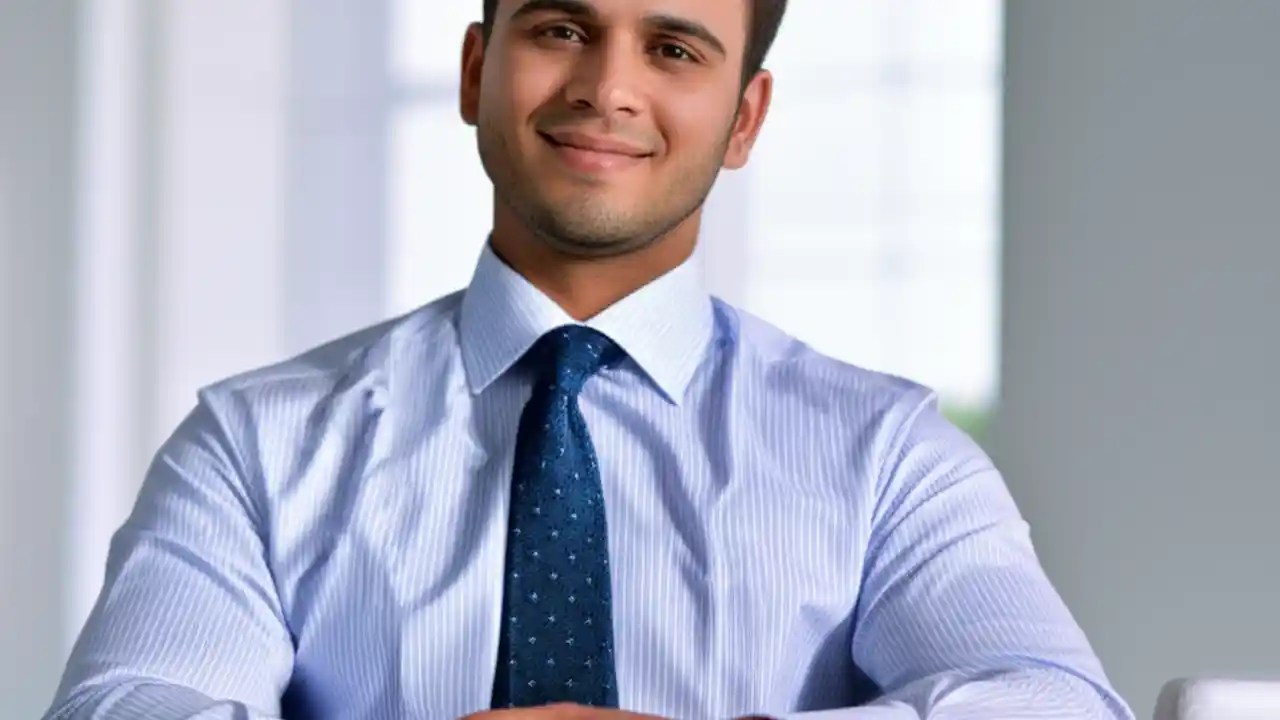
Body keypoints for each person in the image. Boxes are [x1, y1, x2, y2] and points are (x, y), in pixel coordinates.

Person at [45, 0, 1135, 718]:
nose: (604, 90)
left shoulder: (884, 454)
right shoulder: (255, 443)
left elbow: (1050, 703)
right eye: (561, 27)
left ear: (744, 117)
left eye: (671, 48)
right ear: (476, 69)